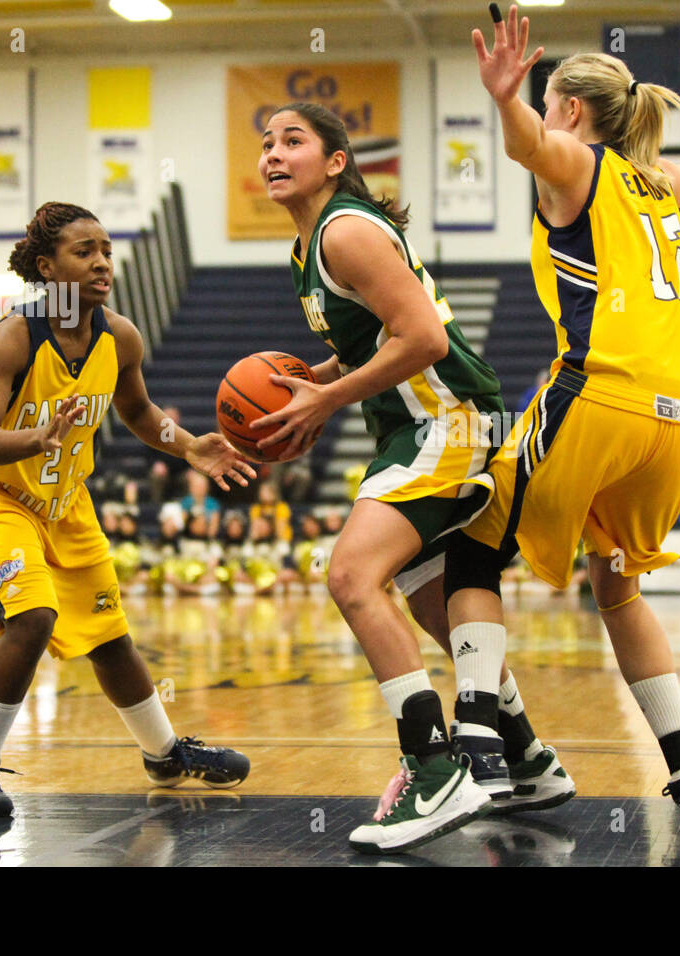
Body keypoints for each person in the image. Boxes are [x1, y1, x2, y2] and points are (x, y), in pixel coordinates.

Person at [440, 5, 680, 837]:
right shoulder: (657, 185)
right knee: (617, 588)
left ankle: (476, 749)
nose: (544, 113)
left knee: (472, 549)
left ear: (573, 112)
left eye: (549, 99)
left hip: (605, 394)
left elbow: (528, 146)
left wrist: (505, 100)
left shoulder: (576, 165)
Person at [254, 99, 569, 853]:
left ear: (335, 161)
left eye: (292, 140)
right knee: (431, 607)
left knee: (352, 576)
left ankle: (435, 769)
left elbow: (424, 337)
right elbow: (378, 340)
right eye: (266, 142)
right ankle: (528, 762)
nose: (272, 153)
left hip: (449, 418)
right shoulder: (310, 247)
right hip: (413, 424)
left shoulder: (348, 231)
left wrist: (327, 396)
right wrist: (313, 387)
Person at [0, 201, 255, 817]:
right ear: (45, 266)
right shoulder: (13, 337)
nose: (101, 263)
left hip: (67, 504)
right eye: (83, 252)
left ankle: (164, 755)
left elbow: (137, 412)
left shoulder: (121, 336)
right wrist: (31, 439)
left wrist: (189, 446)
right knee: (32, 618)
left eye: (106, 251)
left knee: (110, 637)